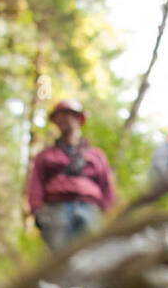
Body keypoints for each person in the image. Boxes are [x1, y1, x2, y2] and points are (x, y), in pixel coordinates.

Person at [25, 100, 115, 251]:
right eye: (59, 117)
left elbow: (107, 186)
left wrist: (108, 213)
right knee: (59, 258)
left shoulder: (96, 156)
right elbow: (36, 184)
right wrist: (36, 211)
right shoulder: (45, 156)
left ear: (78, 119)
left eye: (68, 115)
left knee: (92, 255)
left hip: (91, 209)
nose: (63, 120)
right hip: (56, 210)